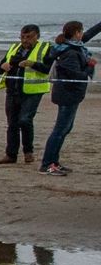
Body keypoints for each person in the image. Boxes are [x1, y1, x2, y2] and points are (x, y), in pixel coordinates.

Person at [39, 20, 94, 177]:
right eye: (81, 32)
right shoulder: (70, 52)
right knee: (60, 129)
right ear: (76, 33)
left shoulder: (73, 46)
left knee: (65, 128)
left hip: (70, 94)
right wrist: (89, 66)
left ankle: (54, 162)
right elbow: (74, 75)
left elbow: (90, 33)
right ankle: (47, 164)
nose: (83, 34)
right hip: (67, 94)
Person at [0, 25, 53, 165]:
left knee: (25, 120)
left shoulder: (45, 48)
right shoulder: (14, 48)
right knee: (12, 124)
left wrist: (32, 64)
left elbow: (46, 69)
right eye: (22, 37)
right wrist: (3, 67)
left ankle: (28, 152)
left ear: (37, 36)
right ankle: (11, 155)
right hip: (12, 90)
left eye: (29, 37)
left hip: (32, 91)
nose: (25, 40)